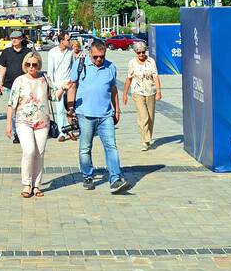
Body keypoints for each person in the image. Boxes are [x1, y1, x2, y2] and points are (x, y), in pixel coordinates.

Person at [69, 39, 129, 193]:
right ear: (90, 53)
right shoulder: (80, 65)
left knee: (111, 146)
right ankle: (88, 175)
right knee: (85, 147)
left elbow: (113, 89)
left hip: (105, 115)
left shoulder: (110, 67)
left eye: (101, 56)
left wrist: (117, 110)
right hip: (85, 114)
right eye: (95, 56)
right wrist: (69, 109)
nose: (98, 60)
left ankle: (115, 179)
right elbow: (72, 86)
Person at [6, 52, 53, 198]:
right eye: (28, 64)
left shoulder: (45, 79)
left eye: (34, 64)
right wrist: (8, 124)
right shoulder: (19, 81)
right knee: (29, 150)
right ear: (25, 65)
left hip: (42, 121)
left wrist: (65, 88)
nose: (31, 67)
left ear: (39, 64)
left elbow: (54, 96)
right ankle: (26, 184)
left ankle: (36, 185)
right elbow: (11, 103)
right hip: (23, 121)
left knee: (39, 153)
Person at [123, 40, 162, 151]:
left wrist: (159, 91)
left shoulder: (151, 61)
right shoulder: (132, 63)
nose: (141, 54)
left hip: (151, 91)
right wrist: (125, 94)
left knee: (150, 117)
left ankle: (148, 138)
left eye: (143, 52)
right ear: (135, 52)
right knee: (143, 116)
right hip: (137, 92)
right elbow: (129, 78)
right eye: (138, 52)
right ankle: (145, 140)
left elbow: (156, 76)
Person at [46, 31, 78, 141]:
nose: (70, 41)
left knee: (70, 109)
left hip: (69, 84)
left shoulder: (70, 52)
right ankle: (61, 133)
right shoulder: (52, 52)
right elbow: (50, 71)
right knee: (59, 110)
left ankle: (71, 131)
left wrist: (74, 81)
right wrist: (51, 86)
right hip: (58, 85)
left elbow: (73, 67)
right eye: (68, 39)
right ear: (61, 41)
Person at [0, 30, 29, 103]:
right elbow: (3, 67)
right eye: (12, 38)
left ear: (21, 39)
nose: (14, 40)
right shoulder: (6, 52)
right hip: (10, 83)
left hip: (25, 83)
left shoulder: (28, 52)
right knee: (12, 104)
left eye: (16, 38)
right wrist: (0, 83)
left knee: (24, 104)